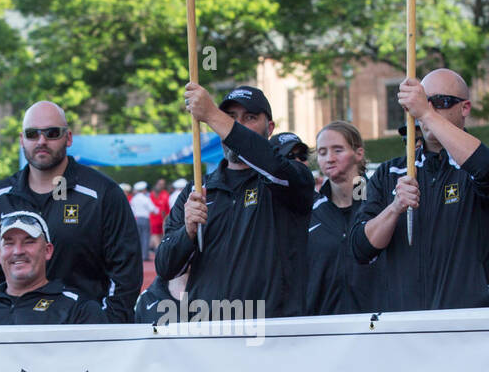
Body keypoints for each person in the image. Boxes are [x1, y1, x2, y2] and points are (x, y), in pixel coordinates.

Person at [353, 70, 489, 310]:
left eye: (440, 102)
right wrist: (395, 208)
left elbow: (486, 171)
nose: (426, 108)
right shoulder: (391, 173)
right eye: (423, 101)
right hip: (409, 326)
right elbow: (361, 249)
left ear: (465, 108)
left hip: (474, 323)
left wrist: (427, 113)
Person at [0, 102, 140, 322]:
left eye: (52, 133)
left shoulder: (102, 194)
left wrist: (104, 327)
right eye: (33, 134)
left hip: (84, 336)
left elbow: (125, 274)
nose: (42, 141)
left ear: (68, 138)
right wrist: (3, 318)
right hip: (17, 337)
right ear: (22, 139)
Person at [156, 84, 312, 317]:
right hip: (209, 333)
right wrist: (187, 232)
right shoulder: (197, 190)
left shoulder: (284, 181)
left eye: (249, 117)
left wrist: (212, 114)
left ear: (269, 128)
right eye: (230, 117)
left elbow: (269, 161)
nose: (237, 124)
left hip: (270, 333)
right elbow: (165, 266)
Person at [0, 211, 104, 325]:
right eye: (9, 243)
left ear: (47, 250)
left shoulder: (78, 310)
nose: (18, 251)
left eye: (29, 242)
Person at [307, 121, 376, 315]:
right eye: (322, 152)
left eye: (338, 150)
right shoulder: (312, 209)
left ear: (358, 154)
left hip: (376, 326)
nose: (329, 158)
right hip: (325, 327)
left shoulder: (376, 202)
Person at [129, 180, 157, 261]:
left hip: (137, 219)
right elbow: (152, 209)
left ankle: (139, 255)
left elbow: (132, 209)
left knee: (139, 237)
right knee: (146, 237)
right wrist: (157, 211)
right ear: (144, 189)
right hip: (145, 219)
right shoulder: (145, 198)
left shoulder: (134, 198)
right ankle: (145, 255)